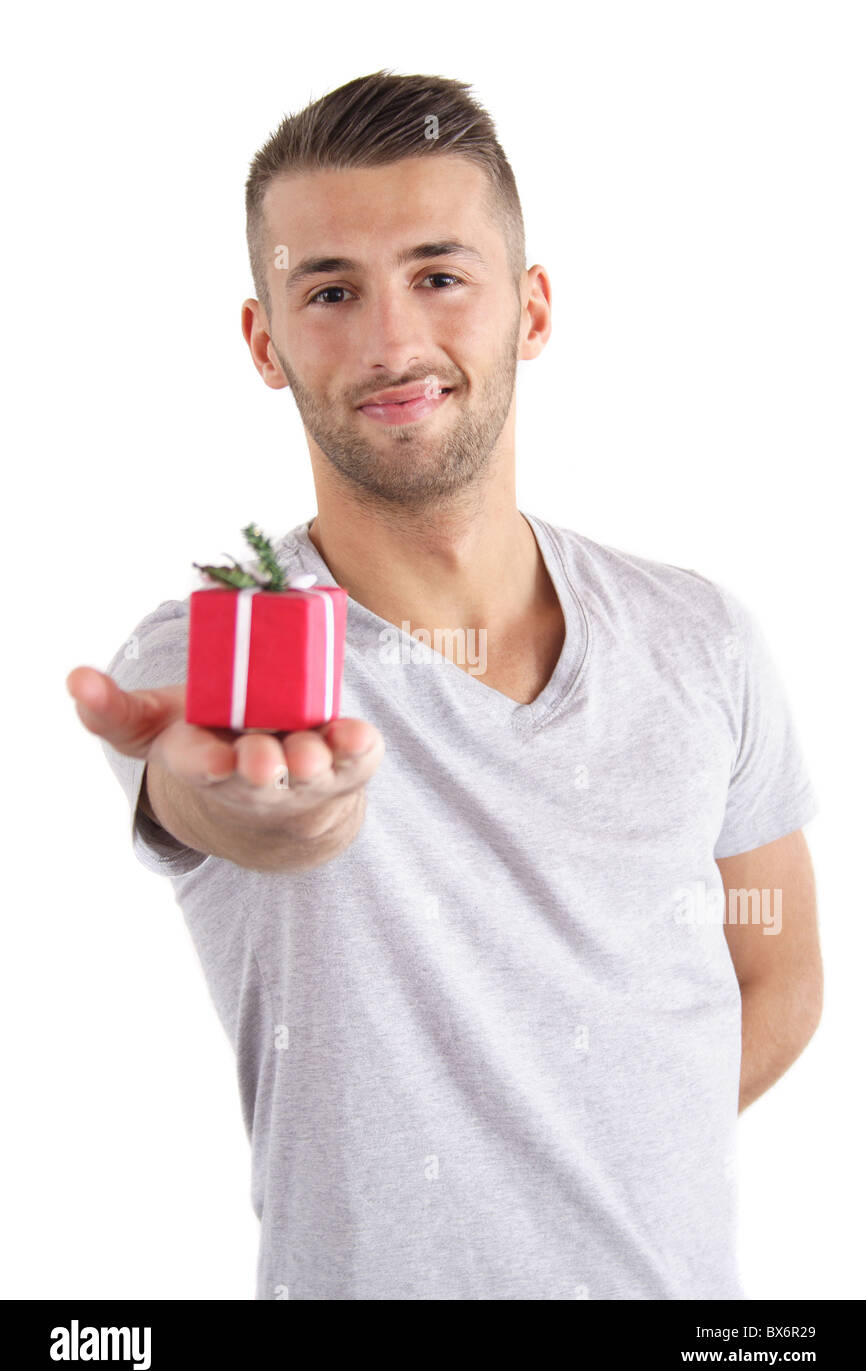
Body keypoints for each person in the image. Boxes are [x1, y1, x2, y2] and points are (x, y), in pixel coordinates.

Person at [66, 70, 822, 1301]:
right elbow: (220, 786)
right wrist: (259, 805)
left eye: (437, 275)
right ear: (264, 341)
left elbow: (774, 965)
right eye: (328, 291)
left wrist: (591, 1153)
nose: (391, 342)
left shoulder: (702, 641)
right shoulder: (221, 648)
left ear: (529, 309)